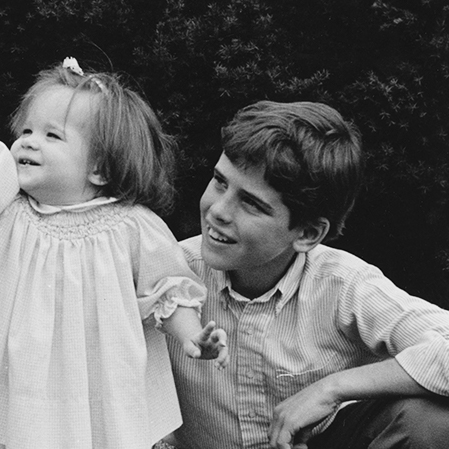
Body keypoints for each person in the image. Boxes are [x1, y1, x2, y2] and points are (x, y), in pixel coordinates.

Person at [0, 58, 229, 448]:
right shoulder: (8, 207)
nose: (29, 141)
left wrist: (190, 337)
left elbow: (167, 289)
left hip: (104, 379)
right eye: (28, 129)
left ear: (99, 167)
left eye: (53, 136)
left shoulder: (132, 226)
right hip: (29, 375)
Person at [166, 100, 449, 449]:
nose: (219, 211)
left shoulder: (343, 284)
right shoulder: (169, 273)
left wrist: (331, 389)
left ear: (308, 234)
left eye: (252, 204)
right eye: (220, 182)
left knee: (430, 423)